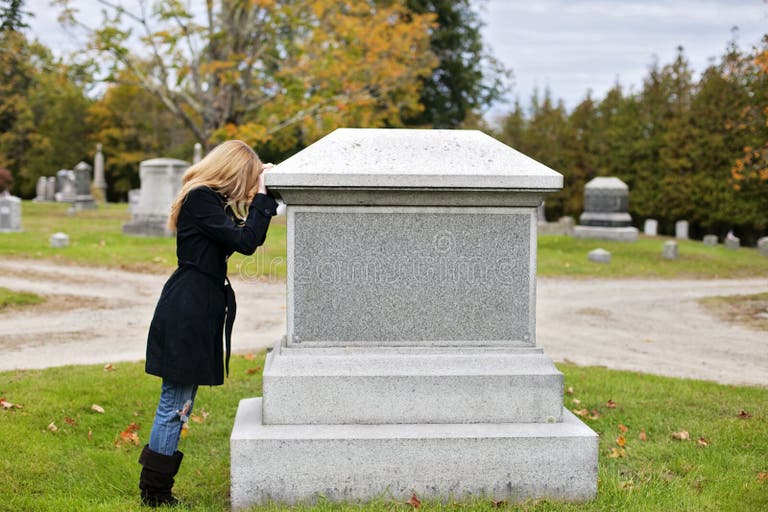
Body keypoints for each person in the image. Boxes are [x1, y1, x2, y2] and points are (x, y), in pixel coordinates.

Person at [138, 140, 278, 507]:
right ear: (232, 171)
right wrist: (261, 195)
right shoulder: (201, 198)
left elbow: (249, 234)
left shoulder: (210, 201)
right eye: (246, 177)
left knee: (180, 400)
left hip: (196, 306)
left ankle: (156, 489)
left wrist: (264, 190)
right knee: (175, 402)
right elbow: (247, 241)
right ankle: (155, 493)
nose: (246, 186)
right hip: (188, 309)